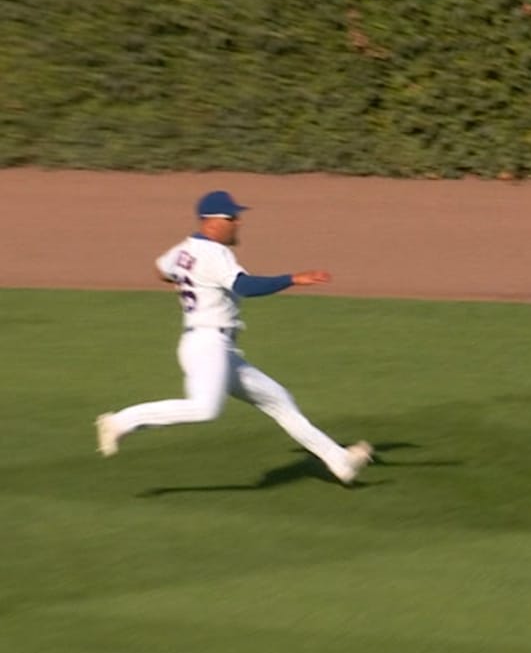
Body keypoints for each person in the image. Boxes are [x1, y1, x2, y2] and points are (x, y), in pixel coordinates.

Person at [95, 190, 373, 485]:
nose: (238, 222)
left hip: (216, 348)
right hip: (207, 345)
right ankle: (120, 421)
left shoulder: (185, 249)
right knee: (205, 408)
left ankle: (339, 461)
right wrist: (292, 279)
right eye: (232, 217)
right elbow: (245, 287)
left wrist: (188, 282)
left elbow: (161, 269)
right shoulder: (215, 253)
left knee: (279, 400)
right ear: (211, 222)